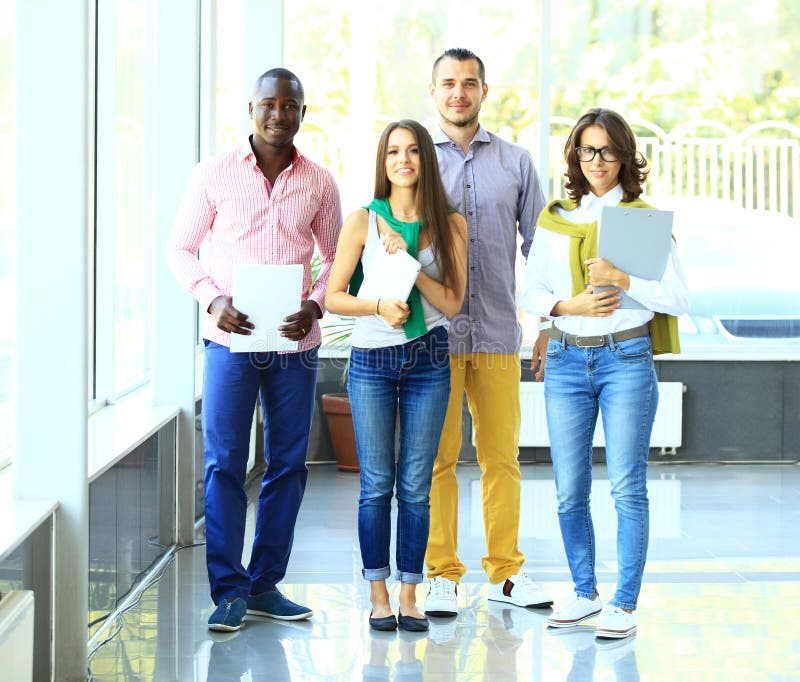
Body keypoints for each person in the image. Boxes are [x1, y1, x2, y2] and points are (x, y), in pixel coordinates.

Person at [167, 68, 342, 632]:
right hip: (229, 342)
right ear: (251, 108)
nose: (278, 114)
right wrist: (213, 301)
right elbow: (181, 249)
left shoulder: (319, 182)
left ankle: (266, 584)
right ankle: (229, 591)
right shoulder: (213, 174)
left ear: (302, 113)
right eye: (269, 103)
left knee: (288, 465)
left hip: (295, 345)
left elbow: (340, 259)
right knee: (223, 463)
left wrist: (316, 305)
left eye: (290, 105)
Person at [520, 108, 688, 638]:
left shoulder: (642, 219)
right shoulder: (556, 217)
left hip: (626, 360)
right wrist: (565, 308)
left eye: (608, 151)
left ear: (624, 156)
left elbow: (679, 298)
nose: (598, 161)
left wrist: (625, 278)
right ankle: (585, 593)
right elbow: (529, 292)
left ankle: (625, 603)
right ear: (575, 155)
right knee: (569, 489)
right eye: (588, 150)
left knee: (627, 489)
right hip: (568, 359)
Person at [423, 47, 552, 618]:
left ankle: (506, 572)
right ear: (434, 93)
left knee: (502, 457)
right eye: (448, 83)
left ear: (484, 90)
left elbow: (543, 253)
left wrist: (548, 322)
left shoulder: (517, 163)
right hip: (436, 337)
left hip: (499, 333)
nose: (459, 93)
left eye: (469, 83)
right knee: (438, 459)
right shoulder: (416, 162)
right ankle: (441, 574)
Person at [325, 119, 467, 632]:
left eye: (411, 151)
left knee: (415, 484)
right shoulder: (363, 219)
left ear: (425, 160)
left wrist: (410, 264)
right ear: (383, 163)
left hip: (429, 358)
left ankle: (411, 594)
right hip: (372, 363)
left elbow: (451, 303)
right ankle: (378, 594)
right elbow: (332, 297)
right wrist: (379, 304)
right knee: (376, 485)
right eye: (392, 152)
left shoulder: (449, 224)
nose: (402, 160)